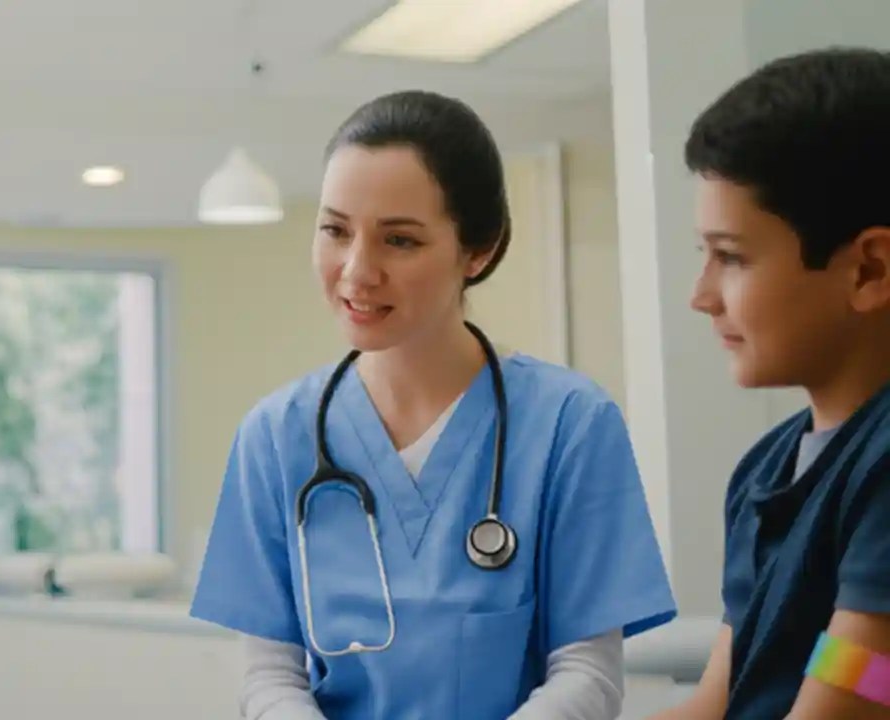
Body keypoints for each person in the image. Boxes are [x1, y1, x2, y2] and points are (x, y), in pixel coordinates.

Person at [189, 90, 677, 719]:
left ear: (480, 249)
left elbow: (588, 673)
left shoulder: (569, 425)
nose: (356, 271)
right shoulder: (276, 437)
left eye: (399, 240)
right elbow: (269, 675)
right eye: (335, 230)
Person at [648, 47, 890, 720]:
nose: (701, 295)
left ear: (869, 270)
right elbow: (718, 704)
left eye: (730, 257)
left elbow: (860, 697)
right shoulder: (766, 472)